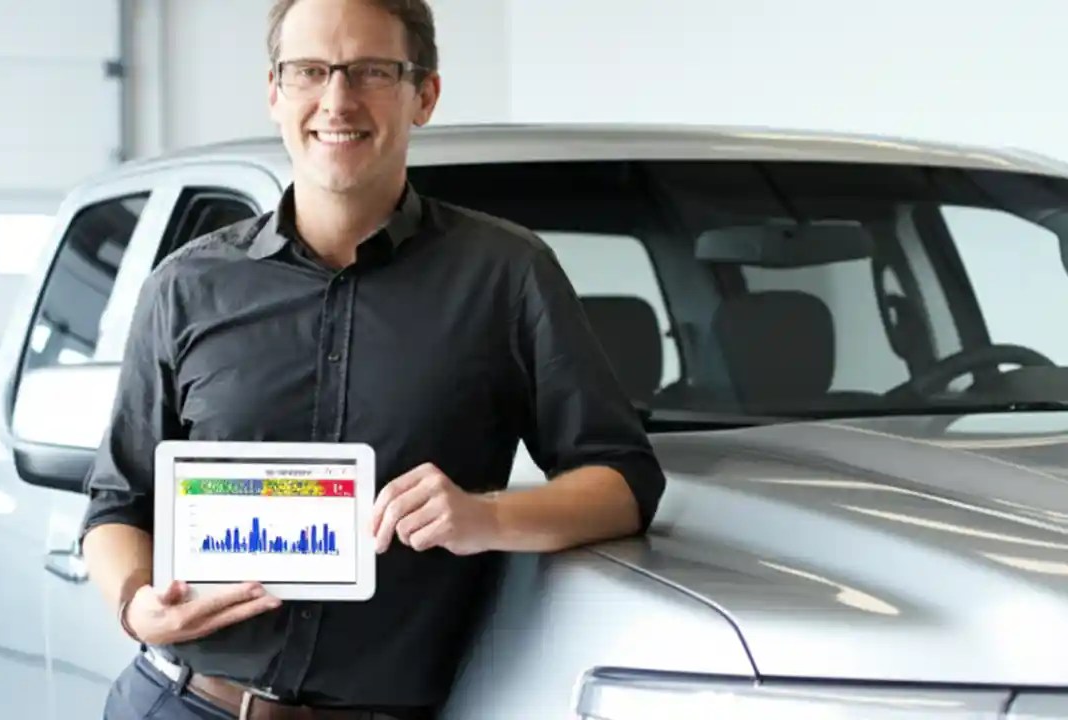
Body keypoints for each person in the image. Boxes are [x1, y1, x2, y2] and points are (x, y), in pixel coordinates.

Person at [80, 0, 668, 718]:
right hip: (183, 701)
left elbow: (624, 483)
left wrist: (485, 517)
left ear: (424, 94)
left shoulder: (506, 276)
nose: (337, 98)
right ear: (275, 91)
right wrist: (137, 604)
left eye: (371, 71)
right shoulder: (186, 286)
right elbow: (118, 502)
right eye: (309, 71)